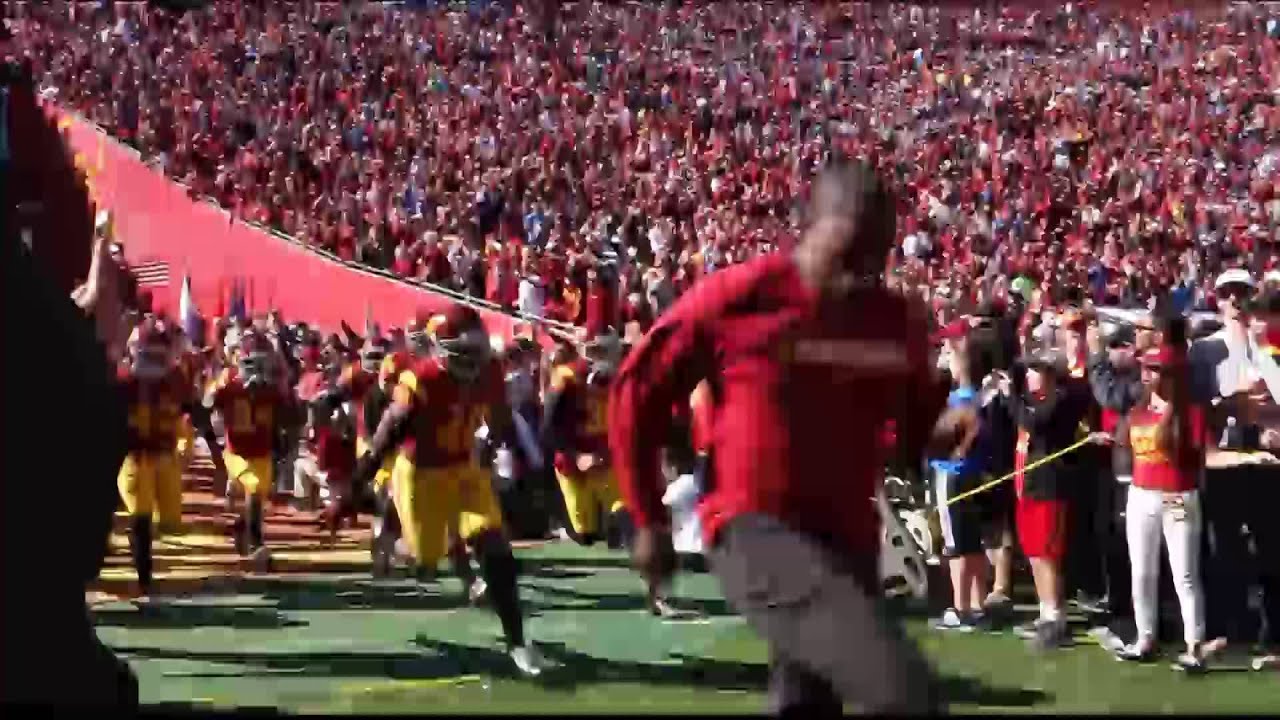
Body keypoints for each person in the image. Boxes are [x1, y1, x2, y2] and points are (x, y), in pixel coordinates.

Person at [608, 161, 943, 715]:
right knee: (904, 692)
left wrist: (938, 432)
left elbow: (910, 430)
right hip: (756, 531)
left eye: (875, 254)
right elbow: (635, 390)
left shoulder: (892, 320)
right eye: (849, 246)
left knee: (807, 703)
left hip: (849, 541)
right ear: (811, 227)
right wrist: (647, 516)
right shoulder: (743, 298)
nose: (860, 271)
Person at [352, 305, 547, 676]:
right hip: (419, 475)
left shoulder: (489, 372)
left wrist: (497, 443)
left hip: (463, 468)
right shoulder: (419, 381)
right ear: (441, 351)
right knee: (425, 559)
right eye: (463, 353)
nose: (472, 362)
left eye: (477, 352)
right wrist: (352, 491)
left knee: (496, 551)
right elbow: (382, 441)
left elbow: (501, 420)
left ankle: (518, 643)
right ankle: (389, 531)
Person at [1113, 341, 1211, 672]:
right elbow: (1126, 446)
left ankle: (1194, 646)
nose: (1149, 375)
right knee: (1141, 571)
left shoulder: (1191, 412)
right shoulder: (1137, 410)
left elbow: (1202, 457)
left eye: (1157, 369)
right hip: (1141, 495)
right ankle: (1145, 638)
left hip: (1178, 497)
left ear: (1172, 375)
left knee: (1184, 574)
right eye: (1147, 368)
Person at [205, 332, 296, 571]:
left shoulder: (274, 388)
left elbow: (292, 415)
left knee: (258, 498)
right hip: (237, 453)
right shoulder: (230, 383)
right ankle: (257, 546)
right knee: (254, 489)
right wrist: (217, 390)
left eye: (261, 362)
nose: (256, 369)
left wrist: (286, 392)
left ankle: (241, 527)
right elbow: (204, 403)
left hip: (262, 452)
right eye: (251, 363)